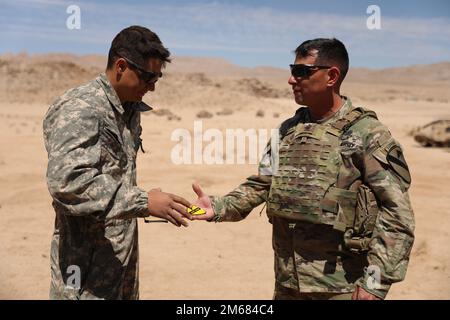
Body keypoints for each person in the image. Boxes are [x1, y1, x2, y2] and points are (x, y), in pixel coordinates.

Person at [192, 38, 415, 300]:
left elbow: (397, 213)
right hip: (288, 282)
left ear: (331, 76)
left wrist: (375, 284)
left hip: (341, 287)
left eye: (301, 72)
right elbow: (262, 183)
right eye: (292, 70)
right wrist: (217, 207)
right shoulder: (288, 129)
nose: (291, 79)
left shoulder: (367, 134)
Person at [43, 26, 192, 300]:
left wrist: (146, 197)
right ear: (121, 66)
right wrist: (143, 201)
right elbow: (67, 182)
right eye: (148, 77)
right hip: (84, 272)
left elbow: (113, 176)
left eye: (158, 77)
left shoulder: (129, 107)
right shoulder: (81, 108)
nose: (153, 86)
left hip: (119, 260)